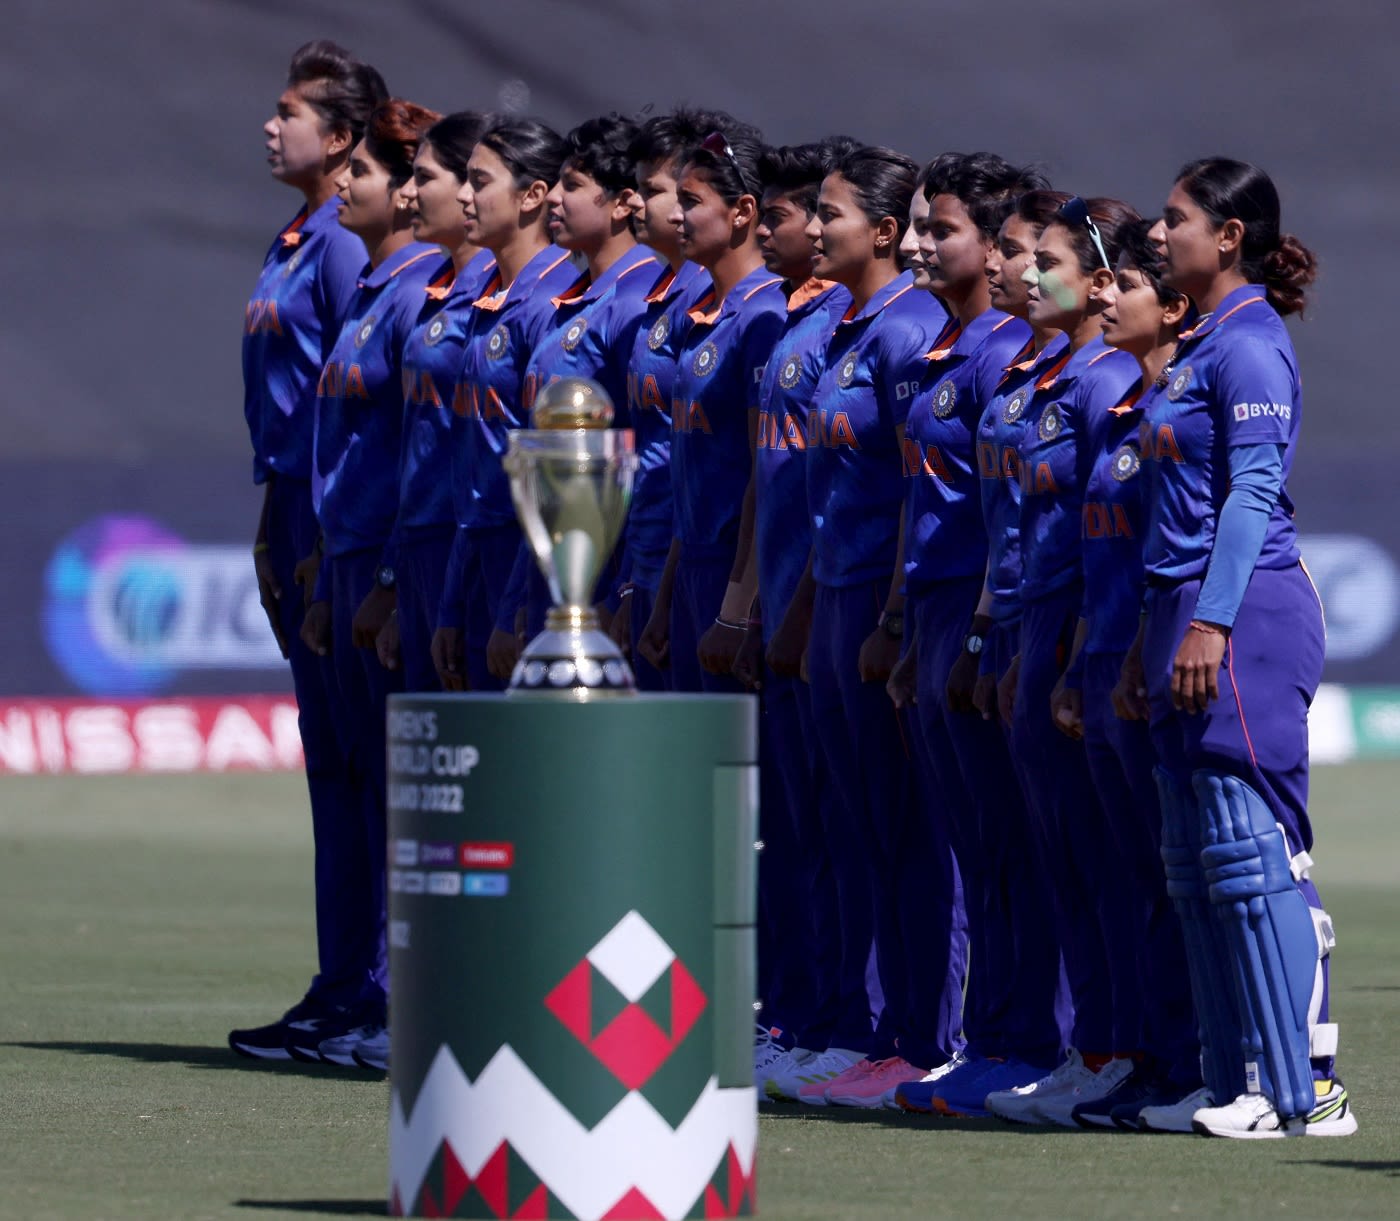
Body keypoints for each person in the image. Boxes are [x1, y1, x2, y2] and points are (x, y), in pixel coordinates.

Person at [1129, 159, 1354, 1138]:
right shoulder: (1197, 344)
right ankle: (1227, 1081)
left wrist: (1209, 623)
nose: (1156, 232)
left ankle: (1301, 1092)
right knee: (1194, 856)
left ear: (1227, 236)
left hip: (1244, 610)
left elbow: (1249, 497)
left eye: (1174, 219)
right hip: (1183, 606)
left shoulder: (1250, 347)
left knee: (1250, 844)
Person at [886, 155, 1067, 1118]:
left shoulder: (1007, 351)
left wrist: (977, 634)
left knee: (1014, 840)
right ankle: (995, 1036)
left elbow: (1008, 515)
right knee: (979, 840)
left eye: (942, 230)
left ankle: (1033, 1038)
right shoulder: (949, 348)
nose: (919, 244)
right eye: (916, 226)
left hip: (986, 610)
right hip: (938, 609)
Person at [783, 146, 963, 1107]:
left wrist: (890, 614)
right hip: (837, 597)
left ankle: (931, 1033)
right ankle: (877, 1028)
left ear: (881, 232)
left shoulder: (909, 332)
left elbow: (913, 493)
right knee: (855, 824)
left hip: (885, 604)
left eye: (830, 212)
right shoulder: (848, 327)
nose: (814, 226)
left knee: (908, 828)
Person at [232, 41, 387, 1061]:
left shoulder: (341, 242)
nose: (269, 125)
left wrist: (332, 535)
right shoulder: (294, 235)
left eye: (290, 112)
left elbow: (356, 406)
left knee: (363, 761)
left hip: (335, 520)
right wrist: (270, 519)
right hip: (292, 509)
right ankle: (339, 983)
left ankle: (373, 987)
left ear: (341, 138)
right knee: (329, 766)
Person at [984, 196, 1145, 1126]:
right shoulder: (1050, 374)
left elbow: (1103, 540)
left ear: (1097, 280)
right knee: (1061, 856)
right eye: (1026, 256)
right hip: (1028, 628)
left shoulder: (1103, 382)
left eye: (1048, 260)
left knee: (1103, 855)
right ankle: (1096, 1045)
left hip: (1077, 632)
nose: (1030, 274)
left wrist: (1077, 654)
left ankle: (1125, 1048)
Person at [294, 99, 442, 1070]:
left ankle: (403, 1001)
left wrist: (386, 573)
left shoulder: (413, 289)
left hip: (395, 565)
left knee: (404, 791)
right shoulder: (370, 282)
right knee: (350, 780)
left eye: (369, 175)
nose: (342, 186)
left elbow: (412, 455)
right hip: (341, 558)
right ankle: (356, 992)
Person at [1046, 218, 1202, 1127]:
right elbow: (1090, 561)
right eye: (1095, 282)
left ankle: (1193, 1061)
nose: (1099, 296)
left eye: (1117, 283)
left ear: (1170, 306)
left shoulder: (1178, 415)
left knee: (1169, 873)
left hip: (1150, 670)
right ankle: (1144, 1055)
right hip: (1102, 667)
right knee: (1125, 877)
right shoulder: (1121, 412)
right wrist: (1074, 665)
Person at [734, 140, 855, 1100]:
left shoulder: (865, 334)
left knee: (853, 828)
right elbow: (760, 486)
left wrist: (802, 604)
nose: (801, 230)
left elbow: (851, 500)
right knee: (796, 823)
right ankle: (800, 1010)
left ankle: (856, 1021)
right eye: (791, 214)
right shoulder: (785, 327)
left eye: (811, 214)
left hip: (841, 609)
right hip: (784, 606)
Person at [636, 125, 785, 693]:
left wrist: (735, 610)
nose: (675, 215)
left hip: (734, 572)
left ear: (743, 211)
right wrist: (665, 595)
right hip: (692, 569)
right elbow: (687, 482)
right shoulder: (701, 313)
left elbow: (762, 477)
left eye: (691, 202)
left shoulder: (765, 316)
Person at [500, 113, 660, 642]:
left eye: (573, 186)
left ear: (621, 203)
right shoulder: (568, 302)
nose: (553, 200)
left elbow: (648, 459)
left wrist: (627, 590)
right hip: (551, 564)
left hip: (607, 571)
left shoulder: (636, 302)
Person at [429, 118, 575, 690]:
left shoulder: (553, 306)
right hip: (475, 557)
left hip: (526, 566)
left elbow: (550, 479)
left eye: (480, 181)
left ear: (533, 195)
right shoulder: (489, 300)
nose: (465, 196)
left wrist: (516, 605)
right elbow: (477, 474)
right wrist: (451, 604)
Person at [608, 110, 724, 689]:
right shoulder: (659, 298)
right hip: (650, 557)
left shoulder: (714, 300)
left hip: (697, 565)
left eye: (652, 191)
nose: (635, 205)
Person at [380, 112, 493, 692]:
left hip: (469, 548)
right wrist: (393, 580)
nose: (406, 193)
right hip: (421, 549)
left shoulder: (502, 303)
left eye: (423, 178)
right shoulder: (429, 297)